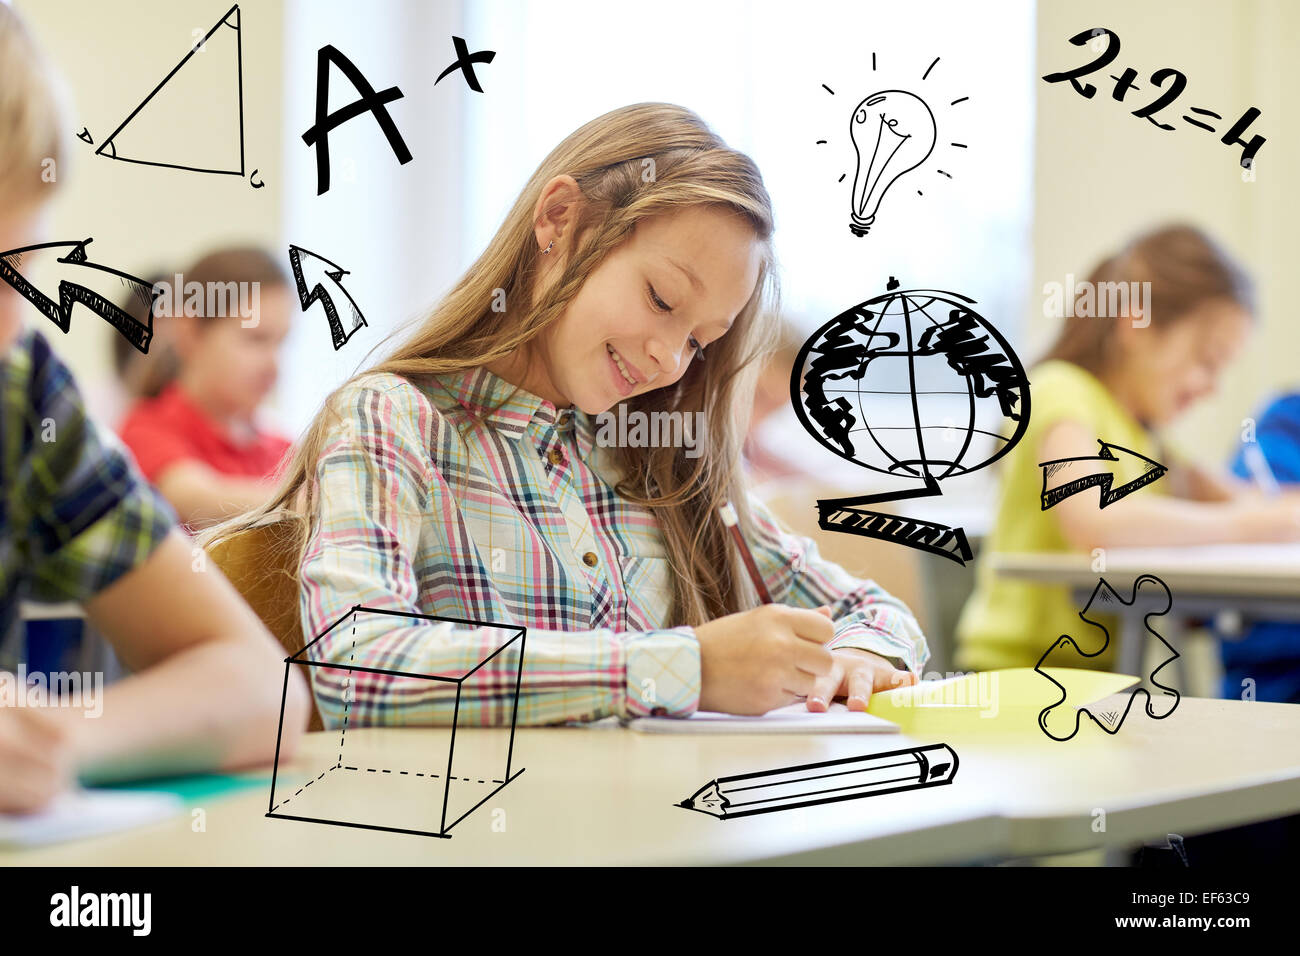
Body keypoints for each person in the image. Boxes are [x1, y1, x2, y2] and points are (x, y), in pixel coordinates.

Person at [202, 103, 928, 727]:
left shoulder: (661, 458)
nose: (670, 360)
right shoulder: (393, 418)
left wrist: (864, 653)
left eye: (699, 341)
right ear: (559, 220)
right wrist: (683, 669)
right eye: (663, 300)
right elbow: (362, 667)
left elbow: (877, 611)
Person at [0, 4, 308, 813]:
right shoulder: (156, 431)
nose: (11, 330)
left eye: (20, 272)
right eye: (252, 339)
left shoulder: (25, 395)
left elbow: (263, 693)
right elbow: (192, 493)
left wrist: (57, 739)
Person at [955, 224, 1300, 674]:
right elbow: (1093, 521)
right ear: (1136, 324)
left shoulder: (1145, 435)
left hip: (1086, 683)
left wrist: (1268, 511)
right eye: (1207, 360)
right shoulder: (1060, 392)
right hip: (1012, 675)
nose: (1212, 388)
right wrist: (1249, 523)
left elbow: (1229, 495)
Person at [118, 248, 294, 530]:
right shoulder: (145, 430)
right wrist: (315, 498)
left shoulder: (285, 451)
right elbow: (201, 500)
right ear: (190, 331)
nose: (273, 364)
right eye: (256, 339)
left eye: (281, 342)